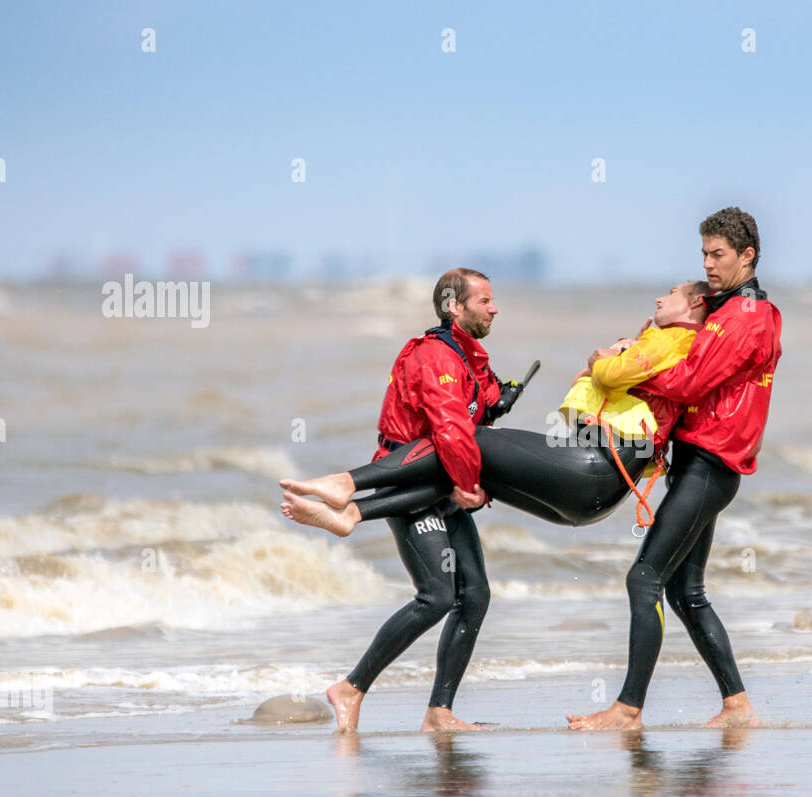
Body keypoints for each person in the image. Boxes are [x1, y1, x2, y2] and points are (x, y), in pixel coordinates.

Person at [566, 207, 782, 732]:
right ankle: (737, 705)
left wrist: (612, 372)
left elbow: (687, 383)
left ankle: (627, 710)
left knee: (644, 579)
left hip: (711, 464)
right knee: (686, 592)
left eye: (718, 255)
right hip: (699, 462)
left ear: (747, 256)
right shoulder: (723, 307)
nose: (708, 264)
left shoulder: (747, 316)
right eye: (704, 254)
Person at [278, 280, 712, 533]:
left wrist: (604, 359)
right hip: (598, 487)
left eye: (670, 293)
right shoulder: (665, 344)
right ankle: (353, 512)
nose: (659, 299)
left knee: (470, 441)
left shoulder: (674, 338)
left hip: (596, 468)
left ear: (693, 304)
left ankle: (348, 484)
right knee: (463, 458)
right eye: (485, 302)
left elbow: (609, 376)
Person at [321, 267, 504, 735]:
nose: (494, 308)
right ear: (453, 307)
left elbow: (475, 409)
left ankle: (438, 713)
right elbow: (449, 427)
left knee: (476, 596)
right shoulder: (434, 355)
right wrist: (468, 484)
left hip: (444, 487)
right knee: (437, 596)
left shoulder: (467, 355)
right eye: (483, 300)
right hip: (409, 486)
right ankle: (351, 687)